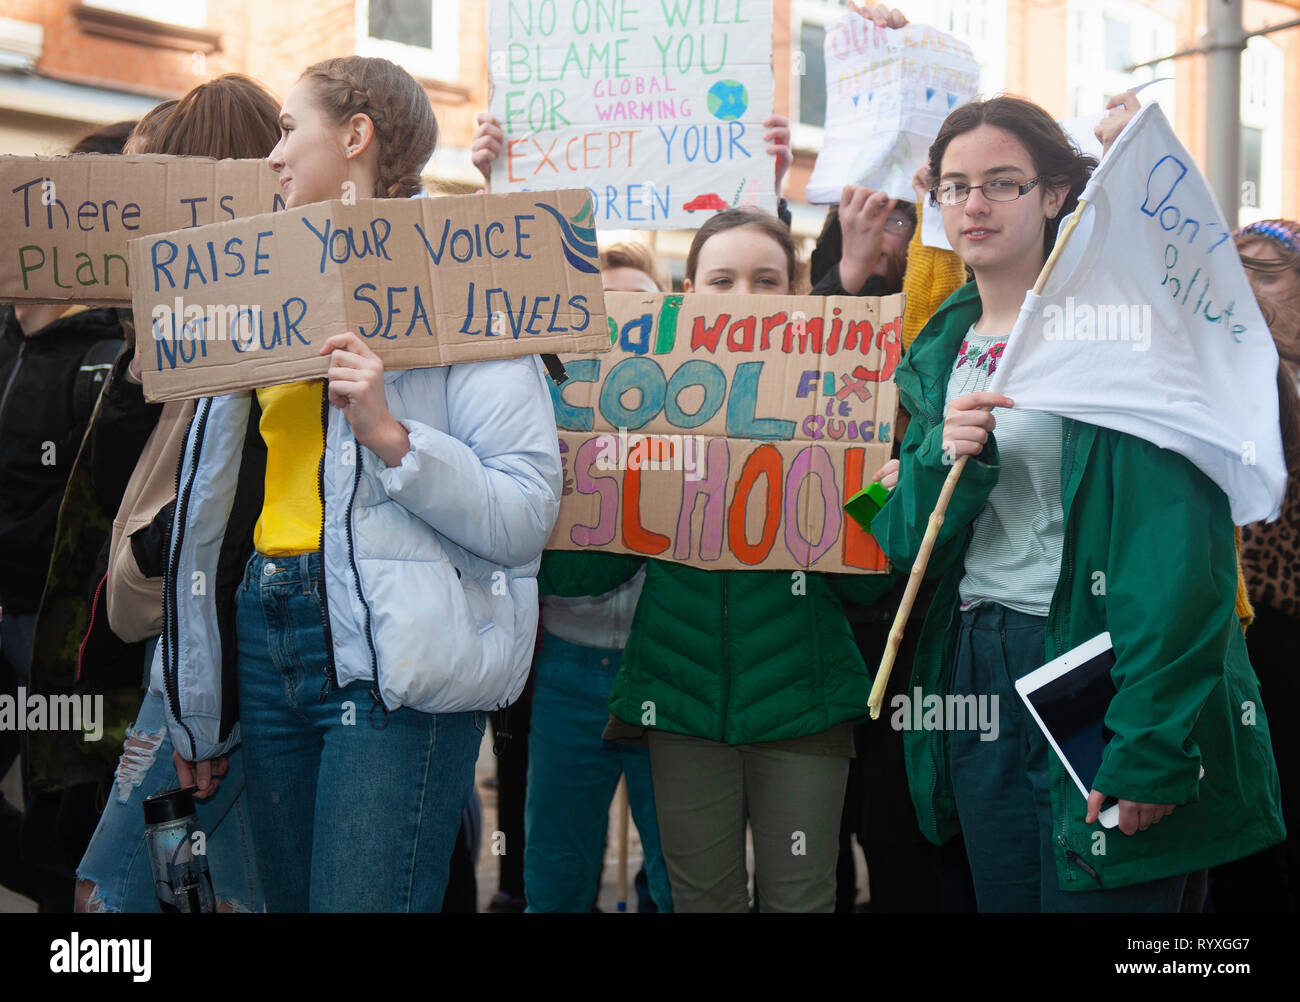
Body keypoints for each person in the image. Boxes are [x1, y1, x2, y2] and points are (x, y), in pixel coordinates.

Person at [156, 55, 561, 912]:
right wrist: (198, 704)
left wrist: (391, 436)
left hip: (390, 660)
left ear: (355, 136)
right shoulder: (254, 284)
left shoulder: (465, 276)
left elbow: (525, 510)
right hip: (269, 639)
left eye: (287, 129)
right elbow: (209, 515)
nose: (271, 155)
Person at [869, 93, 1285, 912]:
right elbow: (902, 546)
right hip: (977, 663)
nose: (974, 205)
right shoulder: (938, 347)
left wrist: (1151, 747)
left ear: (1057, 194)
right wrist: (944, 464)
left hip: (1096, 663)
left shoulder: (1126, 338)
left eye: (1002, 183)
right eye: (954, 187)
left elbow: (1181, 561)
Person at [543, 208, 898, 913]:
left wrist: (872, 503)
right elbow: (571, 578)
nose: (744, 298)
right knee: (702, 901)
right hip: (681, 706)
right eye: (723, 279)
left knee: (800, 899)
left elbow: (867, 588)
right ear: (688, 293)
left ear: (797, 291)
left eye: (766, 280)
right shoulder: (651, 406)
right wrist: (589, 470)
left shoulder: (842, 404)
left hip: (806, 704)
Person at [72, 77, 281, 913]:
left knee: (110, 897)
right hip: (188, 654)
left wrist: (165, 540)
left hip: (217, 653)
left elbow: (242, 495)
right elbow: (119, 464)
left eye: (145, 185)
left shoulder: (266, 318)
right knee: (217, 891)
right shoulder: (182, 322)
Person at [0, 120, 137, 908]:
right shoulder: (17, 348)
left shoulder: (104, 359)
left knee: (81, 818)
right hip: (18, 619)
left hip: (75, 633)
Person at [525, 242, 674, 914]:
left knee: (679, 881)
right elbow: (549, 561)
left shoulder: (708, 418)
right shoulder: (540, 408)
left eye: (640, 309)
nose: (622, 326)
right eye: (603, 310)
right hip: (567, 671)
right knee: (555, 875)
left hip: (669, 673)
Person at [1209, 218, 1300, 913]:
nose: (1244, 286)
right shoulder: (1211, 373)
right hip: (1234, 630)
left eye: (1264, 272)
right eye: (1231, 267)